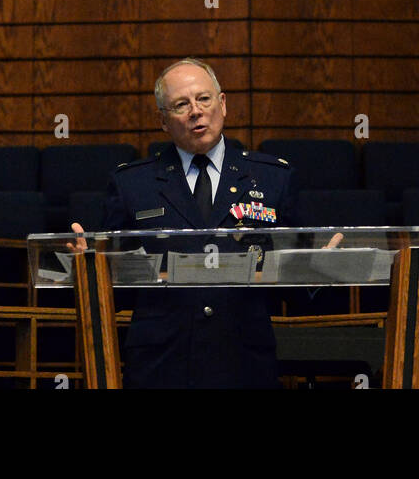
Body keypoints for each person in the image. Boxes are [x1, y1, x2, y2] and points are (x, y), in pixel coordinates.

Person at [71, 57, 296, 389]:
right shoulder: (133, 184)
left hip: (243, 362)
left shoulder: (273, 177)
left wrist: (320, 264)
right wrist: (89, 266)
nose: (195, 111)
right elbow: (117, 291)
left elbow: (296, 283)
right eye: (181, 104)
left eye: (204, 99)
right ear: (163, 121)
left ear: (222, 104)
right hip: (162, 365)